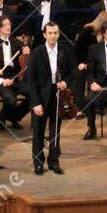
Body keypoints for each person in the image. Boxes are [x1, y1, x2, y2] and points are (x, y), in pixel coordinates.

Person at [25, 21, 74, 175]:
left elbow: (73, 72)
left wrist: (66, 81)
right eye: (50, 33)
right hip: (41, 96)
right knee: (38, 131)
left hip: (58, 95)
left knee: (55, 130)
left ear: (59, 34)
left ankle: (54, 161)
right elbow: (31, 81)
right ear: (45, 35)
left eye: (55, 33)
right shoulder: (36, 53)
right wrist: (35, 103)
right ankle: (38, 163)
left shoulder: (65, 51)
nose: (53, 36)